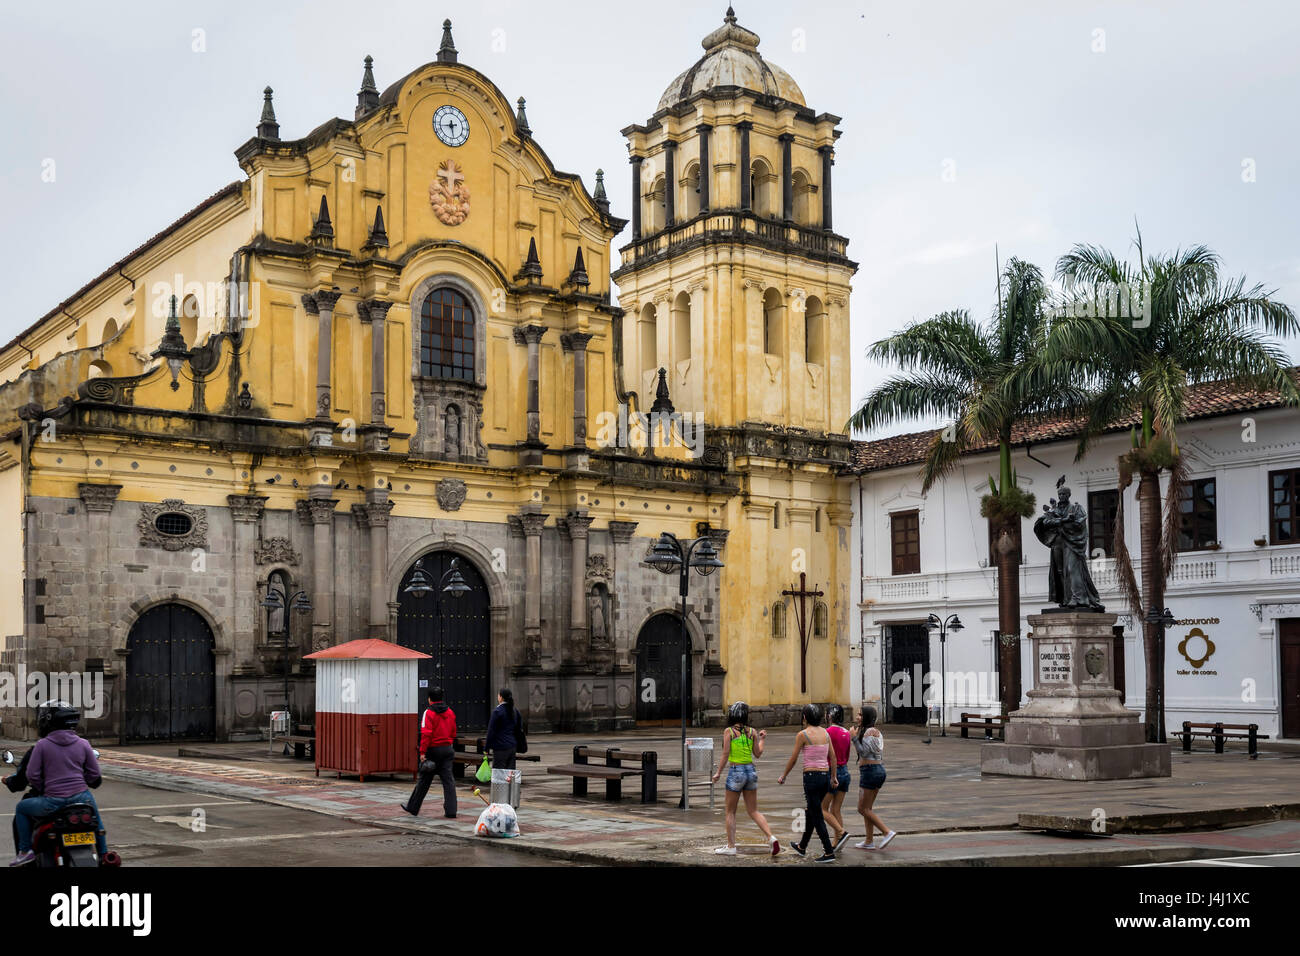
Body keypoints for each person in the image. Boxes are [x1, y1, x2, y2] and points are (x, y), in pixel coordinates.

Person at [10, 702, 107, 866]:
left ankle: (25, 851)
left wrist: (43, 788)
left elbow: (31, 774)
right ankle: (105, 854)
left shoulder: (42, 745)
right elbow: (94, 774)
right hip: (82, 797)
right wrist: (84, 782)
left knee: (21, 808)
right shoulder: (83, 744)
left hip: (53, 801)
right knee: (95, 820)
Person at [709, 701, 780, 857]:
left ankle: (731, 846)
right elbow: (758, 754)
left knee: (730, 812)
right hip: (751, 771)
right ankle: (771, 837)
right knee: (753, 810)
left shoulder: (729, 732)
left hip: (736, 772)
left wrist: (718, 773)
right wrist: (762, 739)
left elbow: (725, 754)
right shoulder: (752, 731)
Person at [778, 703, 837, 862]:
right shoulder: (825, 733)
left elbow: (794, 758)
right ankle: (802, 846)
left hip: (811, 778)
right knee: (811, 811)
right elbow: (833, 757)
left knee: (816, 815)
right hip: (825, 777)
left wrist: (784, 775)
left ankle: (829, 852)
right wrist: (833, 777)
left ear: (804, 717)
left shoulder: (803, 734)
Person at [402, 687, 457, 818]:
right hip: (447, 749)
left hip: (433, 750)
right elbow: (453, 731)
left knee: (424, 781)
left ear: (429, 699)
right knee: (449, 782)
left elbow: (426, 734)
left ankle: (413, 807)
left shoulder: (429, 712)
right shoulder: (450, 712)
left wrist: (422, 752)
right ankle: (451, 811)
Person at [851, 705, 895, 850]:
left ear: (867, 717)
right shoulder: (873, 731)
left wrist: (854, 739)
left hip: (870, 771)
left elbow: (863, 753)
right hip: (875, 770)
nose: (857, 717)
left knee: (862, 809)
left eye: (860, 715)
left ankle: (886, 832)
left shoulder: (870, 732)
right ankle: (869, 841)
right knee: (867, 808)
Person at [822, 704, 853, 852]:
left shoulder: (827, 732)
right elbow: (847, 754)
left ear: (830, 716)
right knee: (836, 809)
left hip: (832, 772)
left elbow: (825, 754)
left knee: (821, 808)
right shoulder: (846, 732)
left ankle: (841, 832)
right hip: (845, 771)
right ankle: (837, 842)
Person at [485, 688, 523, 769]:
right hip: (512, 746)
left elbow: (491, 731)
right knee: (510, 774)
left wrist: (486, 748)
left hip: (500, 747)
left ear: (501, 697)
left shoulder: (497, 711)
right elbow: (519, 729)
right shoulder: (515, 711)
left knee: (499, 774)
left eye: (498, 695)